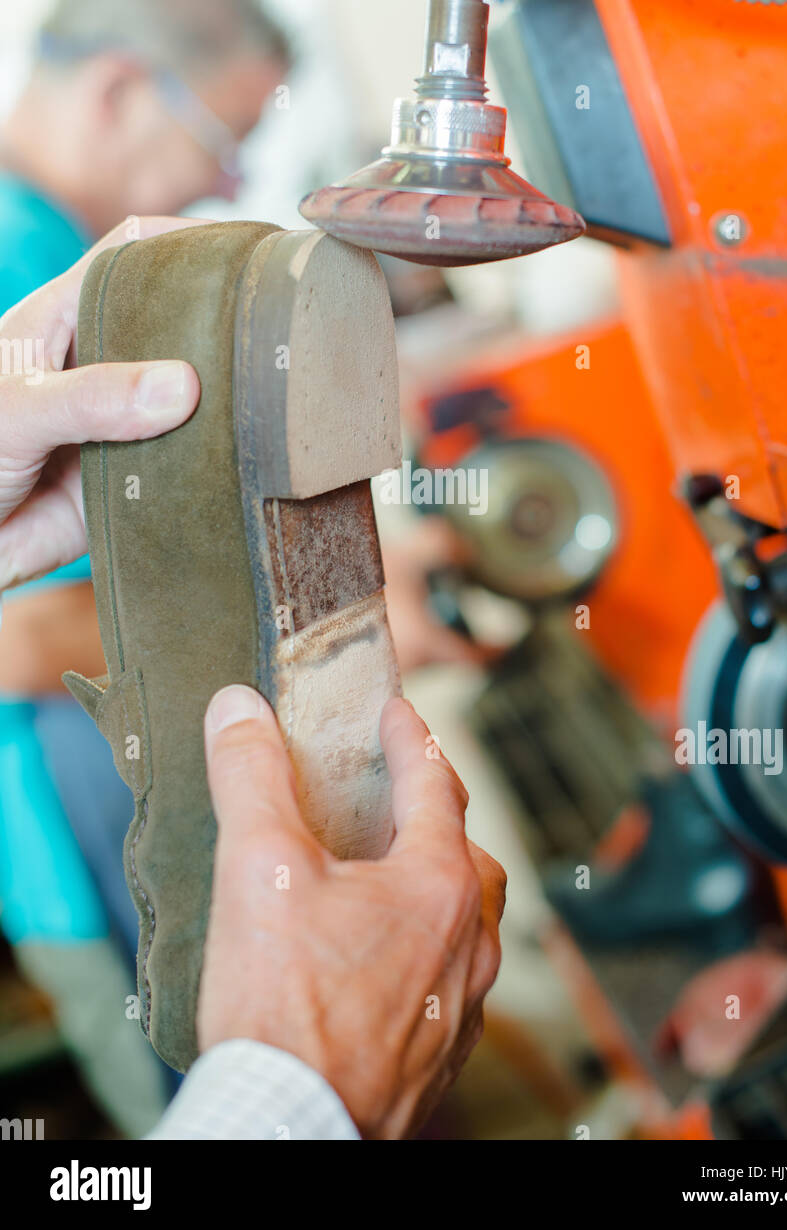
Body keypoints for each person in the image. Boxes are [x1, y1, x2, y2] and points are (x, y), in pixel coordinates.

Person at [0, 221, 507, 1138]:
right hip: (67, 849)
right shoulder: (12, 235)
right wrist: (301, 1088)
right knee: (215, 1018)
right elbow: (17, 644)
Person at [0, 0, 293, 1132]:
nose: (223, 188)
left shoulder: (66, 259)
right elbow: (15, 643)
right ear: (120, 88)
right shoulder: (26, 260)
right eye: (220, 145)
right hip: (75, 855)